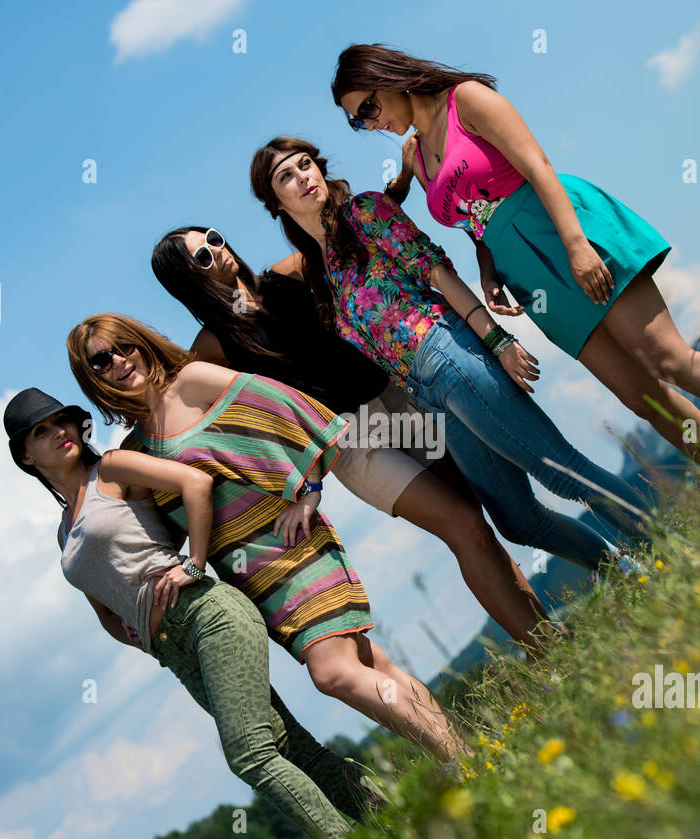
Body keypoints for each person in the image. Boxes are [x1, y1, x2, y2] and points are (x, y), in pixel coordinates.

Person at [331, 43, 700, 466]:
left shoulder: (465, 99)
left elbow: (536, 164)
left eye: (367, 108)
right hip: (527, 274)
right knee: (638, 395)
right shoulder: (415, 153)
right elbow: (474, 222)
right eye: (358, 121)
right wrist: (488, 273)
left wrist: (576, 247)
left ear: (387, 77)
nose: (370, 124)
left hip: (563, 231)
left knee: (667, 358)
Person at [65, 314, 468, 761]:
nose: (121, 361)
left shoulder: (192, 382)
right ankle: (466, 752)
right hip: (251, 583)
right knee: (369, 663)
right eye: (102, 360)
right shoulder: (136, 450)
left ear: (142, 343)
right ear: (92, 379)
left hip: (291, 545)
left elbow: (284, 405)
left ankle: (459, 762)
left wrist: (310, 490)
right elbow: (151, 537)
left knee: (331, 673)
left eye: (126, 347)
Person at [249, 135, 656, 574]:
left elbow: (438, 272)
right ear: (275, 202)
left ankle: (672, 546)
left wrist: (497, 340)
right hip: (426, 395)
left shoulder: (363, 210)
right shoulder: (322, 264)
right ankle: (628, 572)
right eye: (285, 176)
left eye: (305, 164)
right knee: (517, 521)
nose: (302, 177)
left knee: (561, 471)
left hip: (449, 354)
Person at [149, 224, 554, 656]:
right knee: (463, 525)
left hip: (396, 397)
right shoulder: (213, 345)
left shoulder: (289, 274)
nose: (217, 251)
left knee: (477, 524)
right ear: (187, 279)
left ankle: (551, 641)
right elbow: (185, 414)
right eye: (202, 257)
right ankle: (544, 651)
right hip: (350, 443)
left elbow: (341, 229)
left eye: (213, 239)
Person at [4, 387, 379, 839]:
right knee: (292, 750)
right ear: (25, 457)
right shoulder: (63, 532)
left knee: (251, 756)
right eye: (41, 431)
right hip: (175, 650)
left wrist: (194, 563)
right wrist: (144, 637)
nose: (59, 432)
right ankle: (401, 820)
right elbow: (103, 606)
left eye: (62, 420)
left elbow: (194, 483)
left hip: (207, 614)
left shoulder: (113, 470)